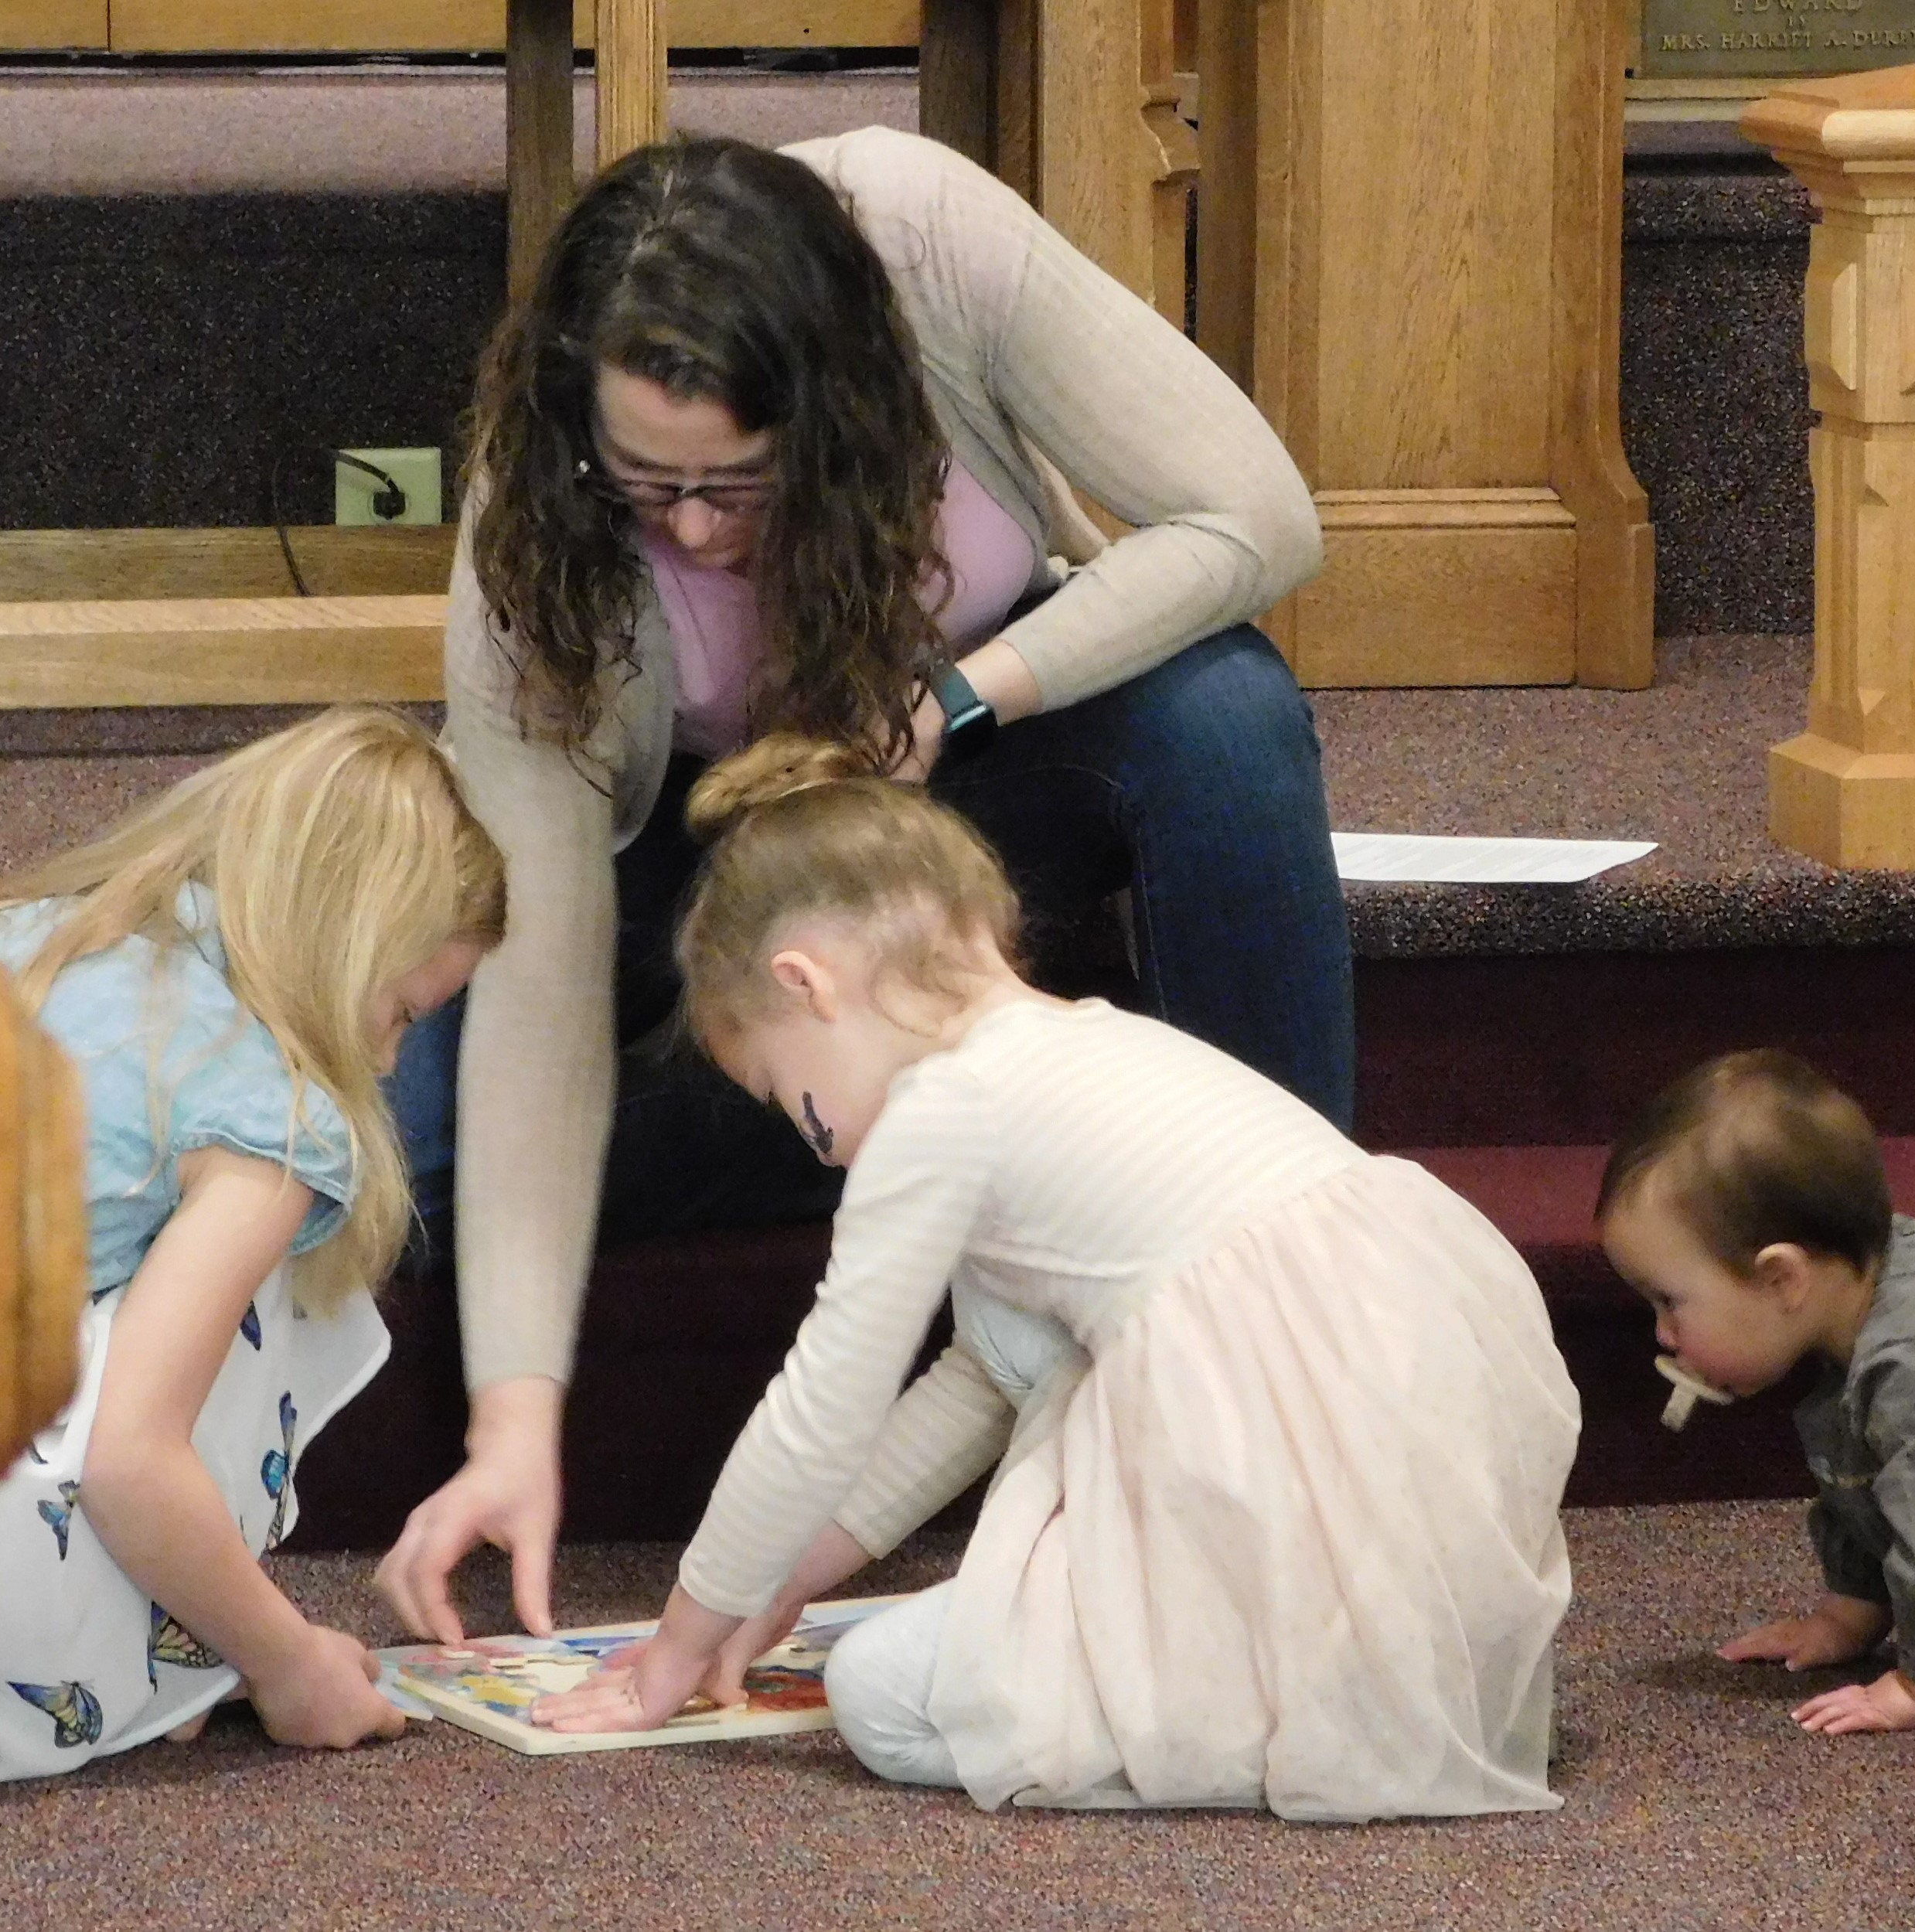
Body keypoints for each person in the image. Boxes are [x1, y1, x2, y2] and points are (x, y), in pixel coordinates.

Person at [383, 128, 1352, 1646]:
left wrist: (953, 704)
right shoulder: (535, 522)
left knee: (1219, 716)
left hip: (951, 770)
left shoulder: (927, 240)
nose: (693, 530)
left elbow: (1253, 518)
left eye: (737, 484)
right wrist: (516, 1421)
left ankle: (1282, 1269)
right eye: (643, 484)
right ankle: (955, 1113)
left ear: (832, 419)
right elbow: (547, 962)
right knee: (414, 1184)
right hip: (686, 883)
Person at [523, 739, 1576, 1820]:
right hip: (1401, 1458)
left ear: (808, 984)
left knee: (881, 1694)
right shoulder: (1086, 1048)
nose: (823, 1148)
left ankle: (1249, 1709)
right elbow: (985, 1373)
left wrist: (679, 1638)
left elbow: (818, 1410)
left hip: (1300, 1471)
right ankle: (1319, 1676)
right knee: (1021, 1438)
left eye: (797, 1102)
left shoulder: (938, 1115)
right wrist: (775, 1585)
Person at [0, 708, 506, 1780]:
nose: (388, 1063)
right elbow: (127, 1456)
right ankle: (157, 1657)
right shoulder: (273, 1111)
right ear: (346, 952)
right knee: (291, 1287)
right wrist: (286, 1660)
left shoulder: (38, 928)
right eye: (398, 1012)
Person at [1593, 1050, 1915, 1736]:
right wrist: (1848, 1614)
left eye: (1670, 1301)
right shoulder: (1861, 1285)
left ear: (1782, 1279)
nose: (1663, 1333)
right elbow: (1863, 1470)